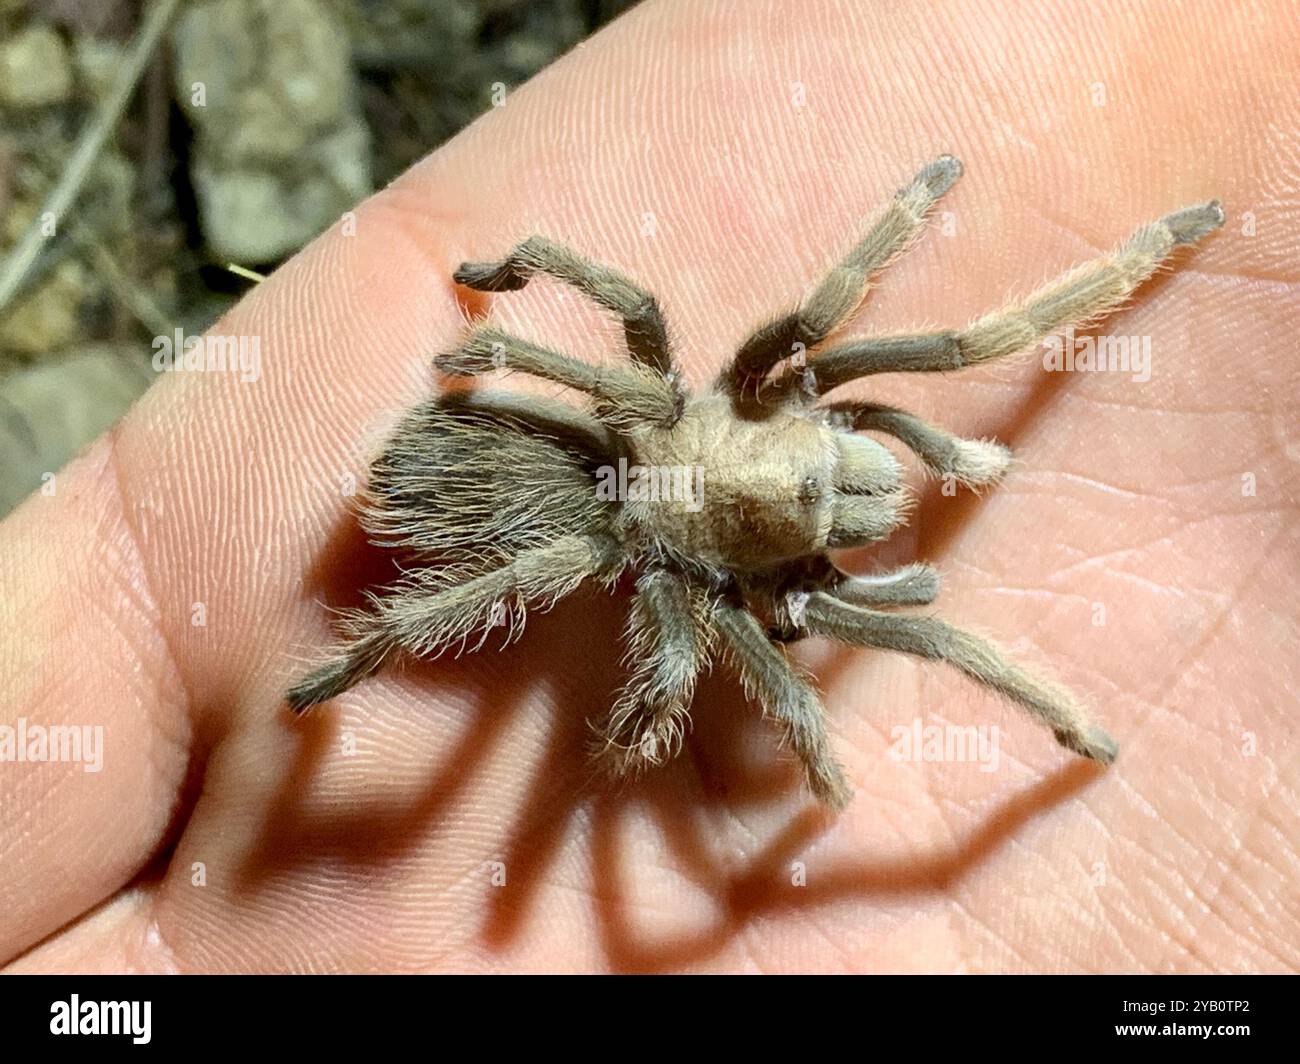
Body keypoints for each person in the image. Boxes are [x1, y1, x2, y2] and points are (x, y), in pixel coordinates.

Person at [2, 0, 1295, 973]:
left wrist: (788, 735)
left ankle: (370, 651)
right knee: (631, 550)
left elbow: (697, 337)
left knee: (710, 592)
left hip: (609, 490)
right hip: (585, 498)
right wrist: (508, 324)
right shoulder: (726, 443)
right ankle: (362, 655)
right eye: (841, 446)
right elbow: (649, 305)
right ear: (805, 400)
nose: (844, 487)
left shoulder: (732, 404)